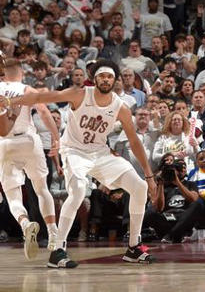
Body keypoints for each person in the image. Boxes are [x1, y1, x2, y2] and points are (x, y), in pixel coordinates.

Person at [3, 60, 157, 268]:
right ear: (94, 79)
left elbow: (135, 141)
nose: (106, 79)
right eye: (102, 76)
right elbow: (42, 96)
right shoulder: (80, 94)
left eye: (110, 76)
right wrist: (12, 102)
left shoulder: (120, 107)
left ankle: (133, 247)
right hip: (74, 151)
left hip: (100, 153)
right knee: (77, 190)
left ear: (115, 80)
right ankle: (57, 251)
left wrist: (149, 175)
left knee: (140, 187)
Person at [0, 58, 59, 260]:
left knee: (12, 193)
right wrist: (56, 138)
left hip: (4, 143)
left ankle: (26, 225)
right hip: (28, 139)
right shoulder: (27, 90)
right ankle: (53, 233)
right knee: (41, 188)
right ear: (21, 73)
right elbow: (43, 112)